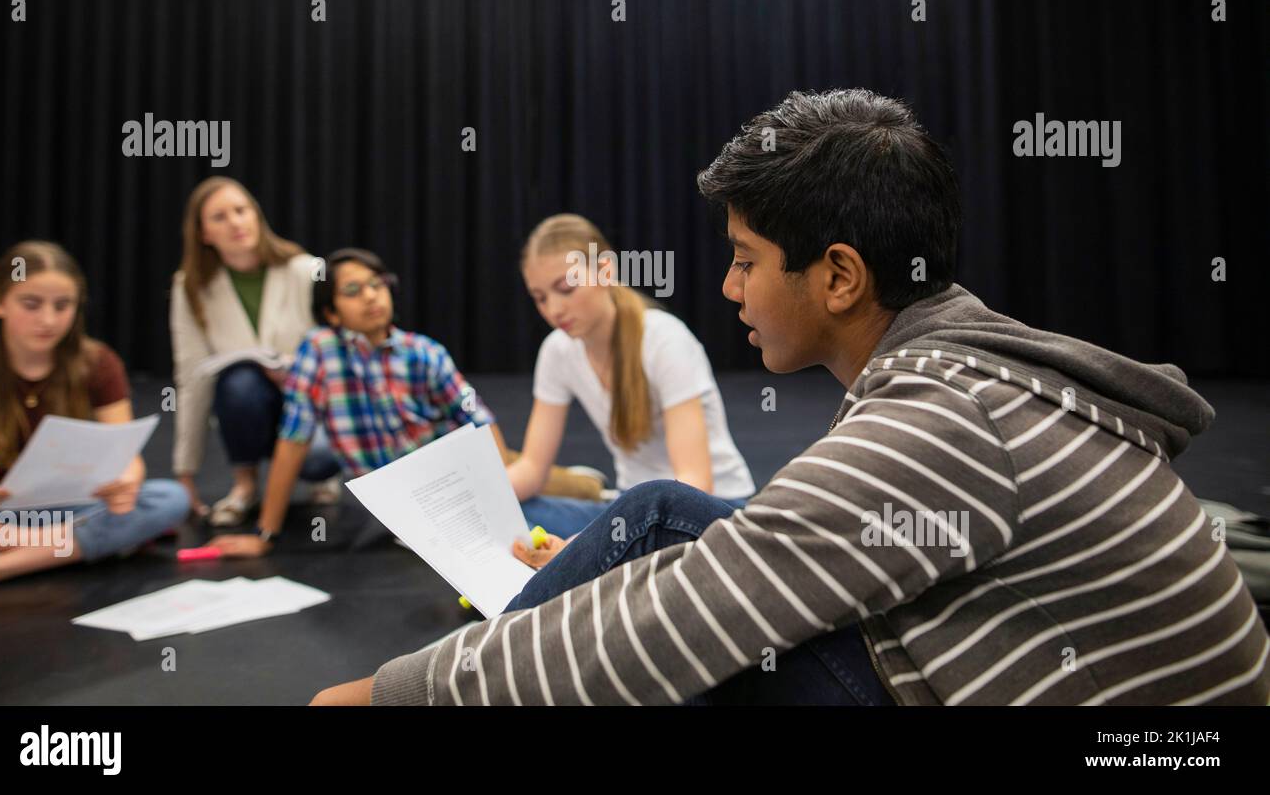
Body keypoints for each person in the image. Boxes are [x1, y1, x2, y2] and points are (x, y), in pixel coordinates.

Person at [317, 88, 1269, 706]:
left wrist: (390, 692)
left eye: (745, 260)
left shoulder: (941, 416)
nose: (730, 287)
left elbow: (686, 614)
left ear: (840, 276)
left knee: (681, 637)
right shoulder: (956, 359)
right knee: (652, 523)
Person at [207, 248, 596, 558]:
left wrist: (495, 492)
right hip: (406, 498)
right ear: (331, 312)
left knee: (559, 497)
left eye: (376, 284)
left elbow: (478, 418)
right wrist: (265, 534)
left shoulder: (423, 352)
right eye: (353, 291)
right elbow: (293, 441)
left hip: (454, 475)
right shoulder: (319, 352)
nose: (371, 295)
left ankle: (586, 484)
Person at [506, 214, 754, 539]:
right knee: (512, 515)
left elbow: (694, 485)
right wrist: (473, 504)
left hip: (709, 509)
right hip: (631, 509)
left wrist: (582, 547)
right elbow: (533, 469)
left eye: (566, 288)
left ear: (606, 271)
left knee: (576, 549)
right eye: (540, 298)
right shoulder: (557, 350)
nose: (553, 309)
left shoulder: (665, 340)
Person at [0, 241, 189, 585]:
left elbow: (127, 455)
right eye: (31, 304)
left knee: (169, 498)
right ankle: (74, 546)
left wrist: (126, 483)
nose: (48, 320)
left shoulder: (98, 362)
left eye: (63, 306)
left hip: (62, 509)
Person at [169, 176, 341, 525]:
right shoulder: (191, 288)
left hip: (309, 401)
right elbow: (191, 378)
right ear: (203, 234)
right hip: (249, 404)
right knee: (239, 382)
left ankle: (321, 477)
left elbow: (340, 353)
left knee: (319, 460)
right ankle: (245, 486)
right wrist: (185, 472)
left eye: (240, 210)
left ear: (256, 216)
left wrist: (295, 372)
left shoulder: (306, 271)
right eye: (219, 217)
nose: (234, 222)